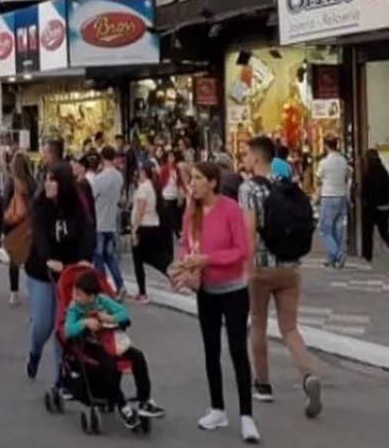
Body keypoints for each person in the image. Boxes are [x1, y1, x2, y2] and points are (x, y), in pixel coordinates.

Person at [239, 136, 323, 419]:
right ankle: (308, 375)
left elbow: (249, 230)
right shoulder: (286, 182)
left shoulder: (249, 188)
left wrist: (247, 267)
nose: (244, 159)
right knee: (289, 328)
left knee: (258, 324)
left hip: (262, 267)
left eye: (246, 154)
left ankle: (262, 384)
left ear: (257, 158)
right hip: (290, 266)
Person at [181, 161, 259, 442]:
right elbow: (184, 243)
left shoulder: (230, 209)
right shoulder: (191, 212)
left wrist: (208, 259)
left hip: (234, 290)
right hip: (206, 290)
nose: (192, 184)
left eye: (198, 178)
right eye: (191, 179)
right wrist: (186, 263)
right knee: (210, 349)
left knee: (238, 350)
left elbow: (241, 250)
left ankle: (247, 416)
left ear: (212, 182)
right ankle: (217, 408)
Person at [64, 271, 164, 429]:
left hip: (111, 341)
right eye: (74, 293)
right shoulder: (74, 308)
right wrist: (84, 323)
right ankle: (122, 405)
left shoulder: (102, 300)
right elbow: (68, 330)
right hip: (90, 345)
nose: (74, 297)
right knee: (109, 366)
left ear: (91, 297)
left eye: (79, 294)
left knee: (138, 357)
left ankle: (145, 400)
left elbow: (123, 313)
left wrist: (111, 318)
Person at [25, 163, 95, 386]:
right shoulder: (40, 206)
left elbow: (88, 234)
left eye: (52, 180)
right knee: (41, 326)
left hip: (69, 272)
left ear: (63, 184)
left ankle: (60, 381)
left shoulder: (78, 207)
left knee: (61, 327)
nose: (47, 184)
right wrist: (47, 258)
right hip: (41, 272)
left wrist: (85, 258)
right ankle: (34, 352)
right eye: (46, 179)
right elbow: (38, 236)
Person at [131, 162, 171, 303]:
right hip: (153, 225)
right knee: (152, 257)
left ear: (143, 172)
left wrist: (134, 229)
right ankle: (170, 273)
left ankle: (142, 292)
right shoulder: (154, 186)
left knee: (138, 261)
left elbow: (140, 210)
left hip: (143, 227)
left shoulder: (143, 188)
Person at [92, 146, 127, 296]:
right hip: (112, 221)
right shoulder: (119, 177)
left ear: (102, 158)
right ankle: (120, 284)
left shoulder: (99, 178)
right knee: (110, 256)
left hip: (100, 221)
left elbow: (93, 197)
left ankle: (102, 287)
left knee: (99, 256)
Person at [2, 152, 35, 307]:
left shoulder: (11, 182)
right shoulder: (31, 182)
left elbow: (5, 202)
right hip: (28, 223)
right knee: (29, 256)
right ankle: (32, 290)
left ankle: (14, 292)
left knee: (14, 258)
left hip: (14, 223)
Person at [315, 136, 352, 269]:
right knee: (337, 229)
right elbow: (348, 176)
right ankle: (332, 259)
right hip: (342, 196)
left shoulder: (324, 162)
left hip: (328, 196)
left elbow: (318, 178)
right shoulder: (343, 161)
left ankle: (337, 254)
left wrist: (317, 194)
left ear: (326, 146)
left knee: (324, 229)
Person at [360, 149, 389, 262]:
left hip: (372, 207)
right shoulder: (383, 172)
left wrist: (361, 195)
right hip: (384, 207)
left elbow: (367, 192)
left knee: (367, 232)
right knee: (384, 232)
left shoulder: (369, 174)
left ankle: (367, 255)